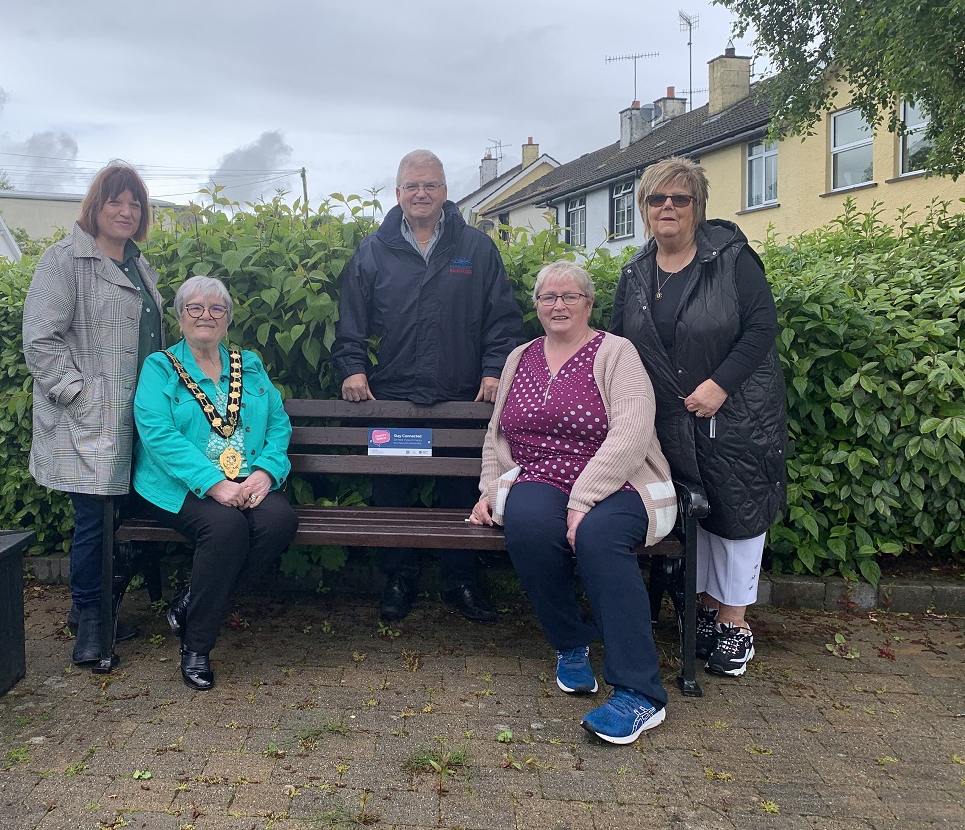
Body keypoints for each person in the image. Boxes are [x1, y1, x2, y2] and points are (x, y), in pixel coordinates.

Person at [470, 259, 678, 745]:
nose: (558, 305)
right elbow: (495, 434)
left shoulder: (617, 353)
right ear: (537, 306)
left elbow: (631, 432)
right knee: (525, 522)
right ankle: (571, 642)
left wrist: (583, 500)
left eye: (570, 296)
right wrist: (489, 491)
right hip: (540, 477)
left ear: (588, 303)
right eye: (548, 297)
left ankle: (639, 694)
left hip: (619, 483)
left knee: (600, 537)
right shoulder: (519, 356)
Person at [610, 156, 787, 679]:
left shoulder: (732, 259)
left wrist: (720, 385)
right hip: (671, 420)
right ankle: (707, 609)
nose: (667, 207)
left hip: (735, 414)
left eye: (679, 199)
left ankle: (736, 623)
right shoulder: (635, 272)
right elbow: (619, 344)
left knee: (736, 514)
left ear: (697, 208)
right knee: (697, 515)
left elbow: (761, 327)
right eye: (656, 199)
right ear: (644, 210)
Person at [332, 149, 523, 623]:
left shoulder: (475, 248)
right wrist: (352, 368)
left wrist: (495, 368)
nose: (421, 193)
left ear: (444, 191)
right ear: (398, 193)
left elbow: (501, 319)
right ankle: (398, 578)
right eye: (412, 186)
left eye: (430, 185)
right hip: (392, 396)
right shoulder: (373, 250)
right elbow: (349, 321)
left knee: (462, 491)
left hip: (461, 397)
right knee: (390, 491)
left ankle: (462, 581)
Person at [24, 162, 162, 665]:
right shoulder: (65, 260)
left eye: (135, 204)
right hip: (92, 417)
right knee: (95, 519)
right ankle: (90, 630)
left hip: (138, 418)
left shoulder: (138, 265)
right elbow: (40, 339)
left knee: (117, 515)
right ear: (95, 207)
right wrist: (80, 394)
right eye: (115, 202)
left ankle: (87, 613)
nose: (126, 212)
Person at [133, 276, 298, 691]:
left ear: (227, 319)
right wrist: (212, 483)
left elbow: (278, 423)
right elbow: (157, 432)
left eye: (216, 308)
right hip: (179, 485)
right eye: (195, 307)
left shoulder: (250, 363)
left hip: (247, 478)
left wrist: (266, 471)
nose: (206, 315)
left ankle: (191, 598)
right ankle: (196, 646)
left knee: (279, 521)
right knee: (225, 528)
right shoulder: (160, 367)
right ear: (180, 317)